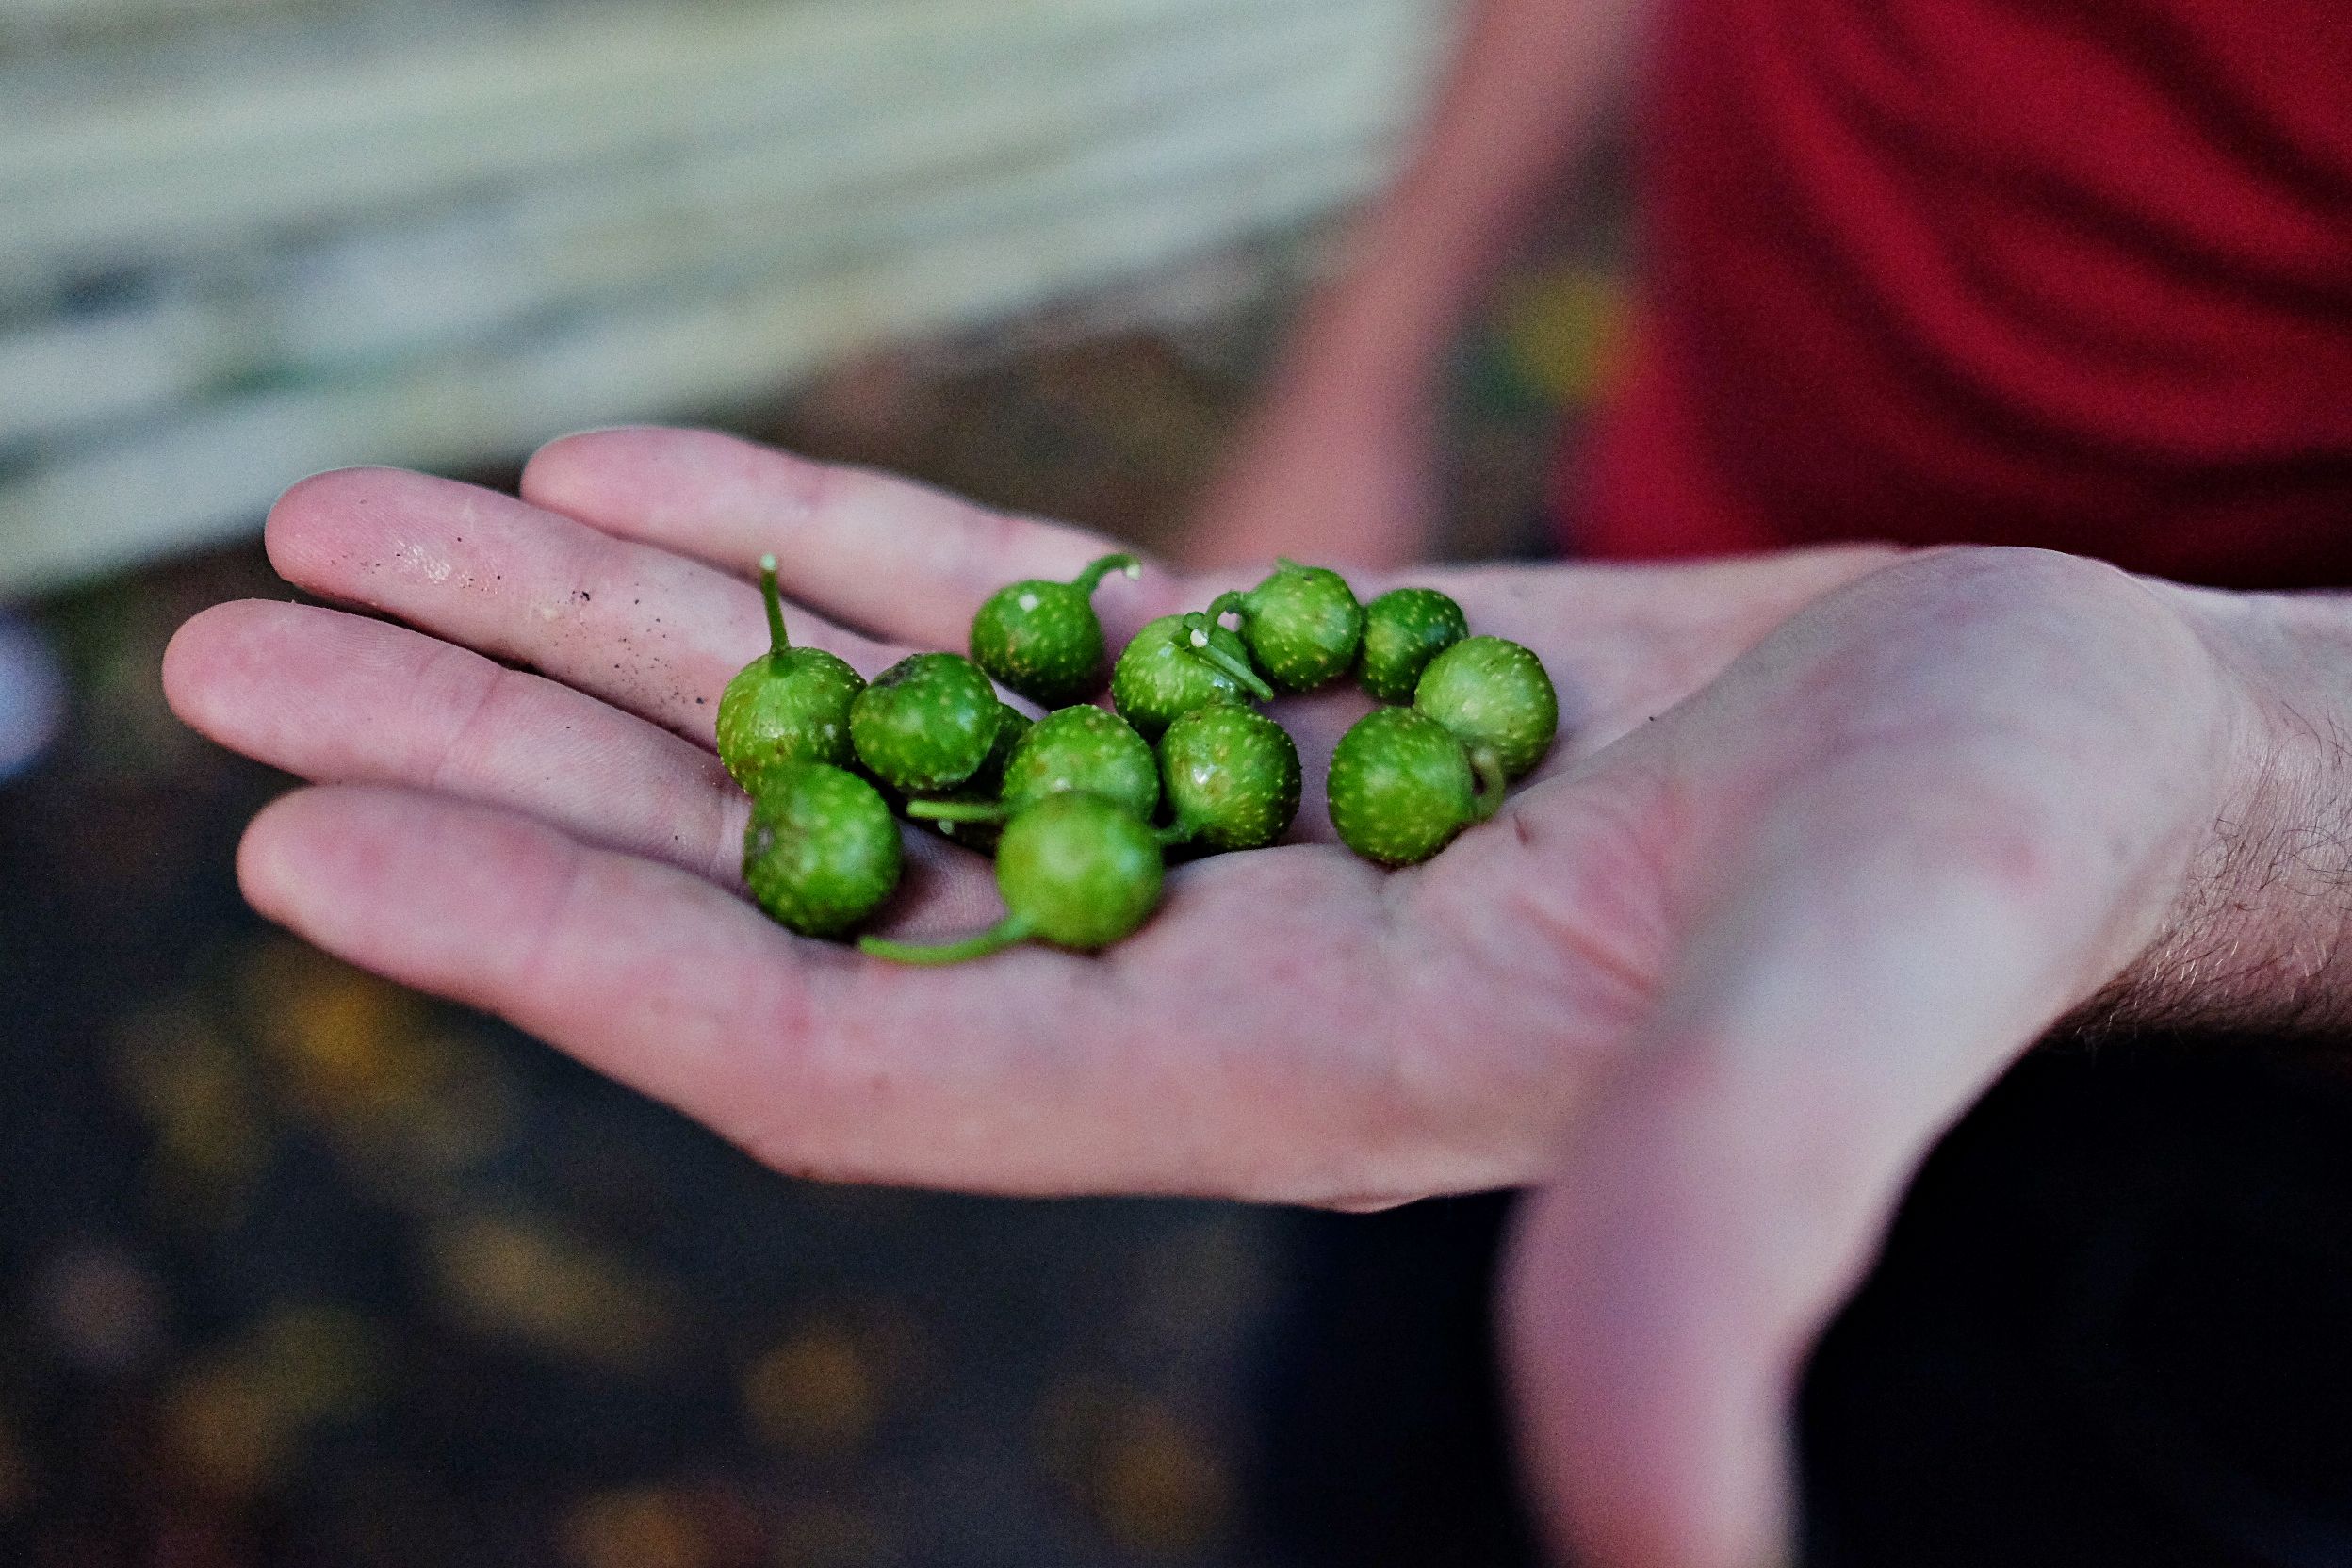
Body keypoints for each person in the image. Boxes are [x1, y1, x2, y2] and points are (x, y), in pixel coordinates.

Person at [162, 3, 2350, 1565]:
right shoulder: (1375, 722)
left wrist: (2253, 771)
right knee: (1379, 1446)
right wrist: (1374, 349)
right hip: (1684, 614)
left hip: (2232, 1002)